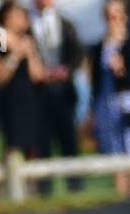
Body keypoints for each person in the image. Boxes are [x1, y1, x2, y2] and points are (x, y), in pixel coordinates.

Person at [88, 0, 130, 201]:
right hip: (107, 107)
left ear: (124, 17)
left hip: (129, 105)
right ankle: (122, 200)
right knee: (115, 155)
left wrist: (120, 69)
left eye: (116, 16)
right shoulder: (98, 47)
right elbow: (95, 82)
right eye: (108, 16)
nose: (112, 21)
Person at [30, 0, 84, 193]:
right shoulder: (23, 23)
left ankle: (76, 188)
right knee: (42, 145)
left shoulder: (66, 23)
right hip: (37, 96)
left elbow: (78, 54)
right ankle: (45, 190)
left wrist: (66, 71)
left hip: (63, 94)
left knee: (69, 143)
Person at [0, 0, 46, 162]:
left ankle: (31, 186)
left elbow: (37, 75)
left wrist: (30, 54)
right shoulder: (0, 38)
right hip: (11, 99)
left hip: (30, 98)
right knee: (13, 145)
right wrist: (15, 56)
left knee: (33, 146)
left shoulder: (28, 39)